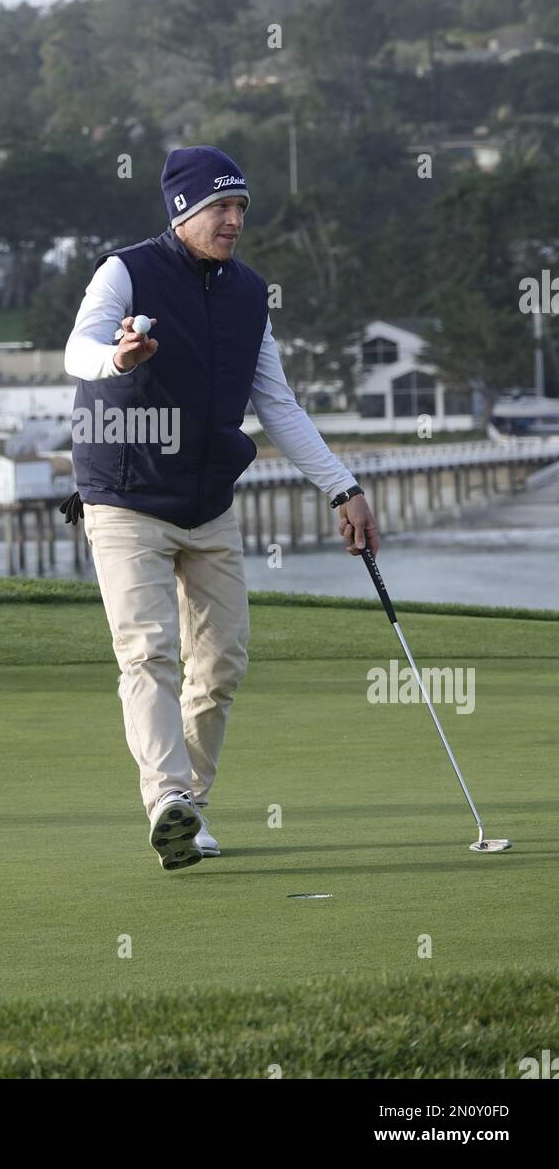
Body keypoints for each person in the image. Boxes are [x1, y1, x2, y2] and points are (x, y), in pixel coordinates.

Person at [62, 145, 379, 872]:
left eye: (240, 207)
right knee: (148, 652)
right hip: (124, 494)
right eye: (219, 207)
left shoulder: (247, 294)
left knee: (223, 661)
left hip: (208, 503)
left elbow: (279, 406)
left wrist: (344, 486)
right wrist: (117, 359)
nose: (234, 219)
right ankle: (167, 797)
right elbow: (77, 348)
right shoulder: (125, 271)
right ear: (182, 211)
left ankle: (190, 807)